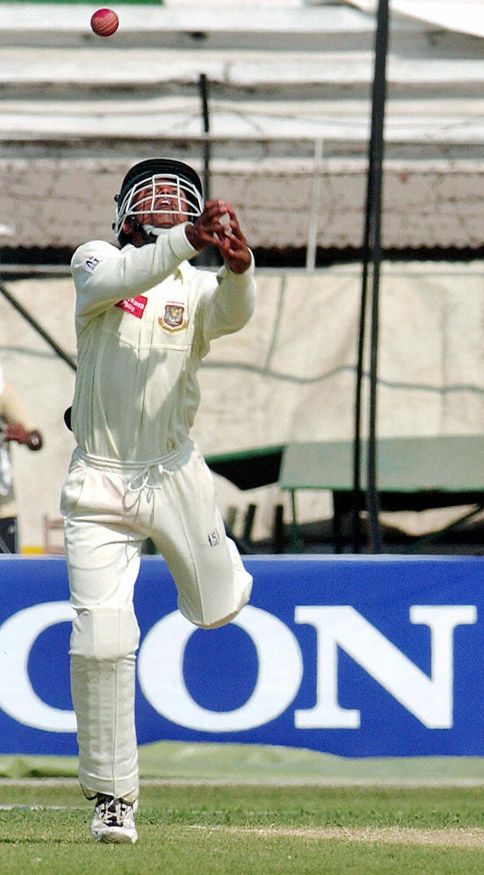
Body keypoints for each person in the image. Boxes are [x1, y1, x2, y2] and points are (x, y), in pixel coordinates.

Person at [65, 158, 256, 843]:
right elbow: (124, 275)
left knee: (217, 608)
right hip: (99, 483)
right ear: (124, 211)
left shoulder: (196, 286)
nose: (167, 203)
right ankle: (114, 796)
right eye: (153, 194)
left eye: (180, 196)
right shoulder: (94, 263)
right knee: (101, 641)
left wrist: (237, 269)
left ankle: (220, 568)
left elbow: (233, 315)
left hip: (173, 473)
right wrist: (184, 239)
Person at [0, 365, 43, 553]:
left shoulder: (3, 392)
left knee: (5, 575)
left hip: (3, 510)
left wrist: (25, 436)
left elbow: (36, 439)